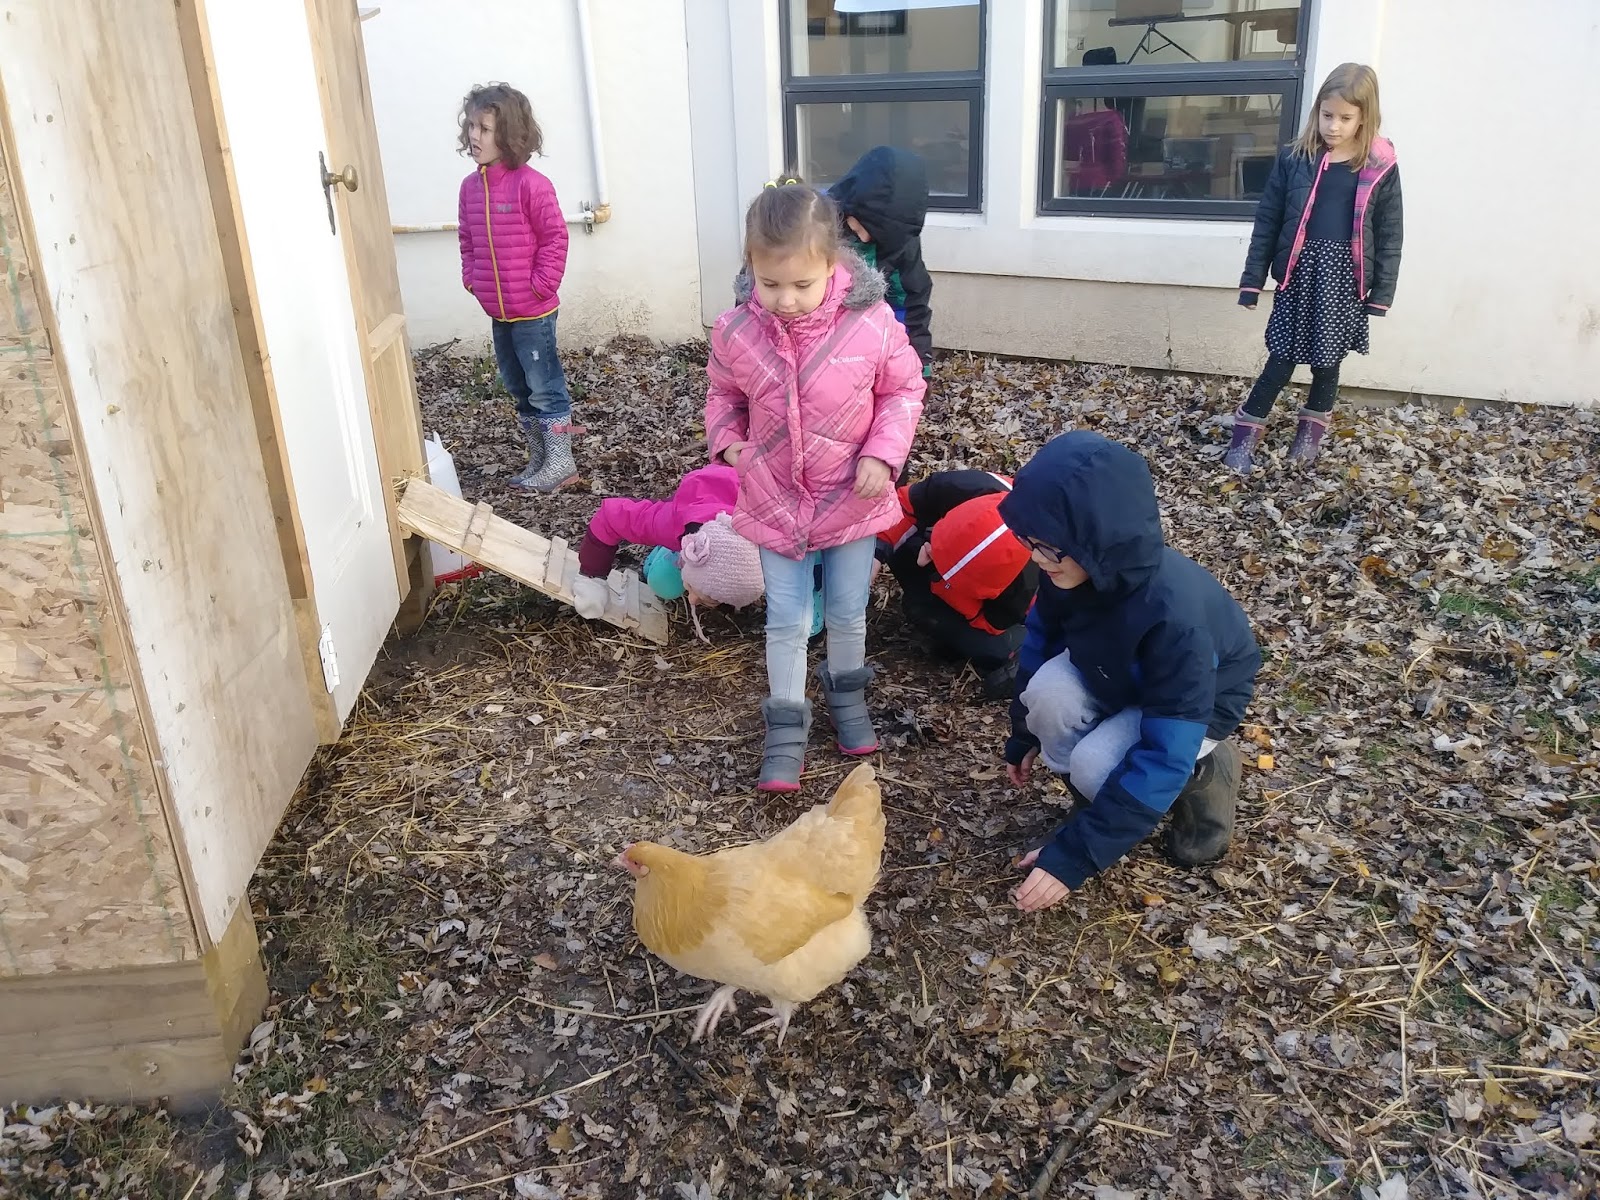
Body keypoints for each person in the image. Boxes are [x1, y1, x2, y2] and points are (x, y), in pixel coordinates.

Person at [706, 178, 925, 792]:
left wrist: (884, 454)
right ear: (751, 266)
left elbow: (903, 390)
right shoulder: (735, 330)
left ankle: (847, 697)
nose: (786, 300)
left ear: (833, 264)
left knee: (848, 609)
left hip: (851, 495)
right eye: (770, 284)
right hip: (774, 498)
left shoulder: (872, 323)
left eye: (802, 285)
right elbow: (722, 395)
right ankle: (785, 724)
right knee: (786, 617)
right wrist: (730, 442)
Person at [999, 432, 1261, 913]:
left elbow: (1165, 750)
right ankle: (1096, 808)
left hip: (1199, 703)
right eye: (1028, 541)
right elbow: (1039, 646)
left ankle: (1207, 770)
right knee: (1048, 696)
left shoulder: (1173, 618)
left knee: (1097, 763)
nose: (1034, 556)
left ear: (1096, 540)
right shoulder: (1066, 570)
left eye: (1047, 546)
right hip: (1116, 673)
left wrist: (1076, 858)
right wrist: (1023, 735)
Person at [1230, 62, 1403, 472]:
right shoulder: (1296, 158)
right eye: (1327, 115)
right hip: (1299, 274)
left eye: (1345, 118)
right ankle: (1244, 435)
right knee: (1281, 360)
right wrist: (1252, 281)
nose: (1334, 126)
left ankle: (1309, 436)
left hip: (1344, 280)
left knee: (1327, 363)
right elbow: (1268, 221)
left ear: (1364, 117)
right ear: (1317, 111)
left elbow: (1390, 231)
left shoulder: (1379, 166)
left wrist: (1381, 294)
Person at [456, 83, 579, 492]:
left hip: (534, 311)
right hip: (499, 311)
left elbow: (555, 238)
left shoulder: (531, 185)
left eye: (485, 128)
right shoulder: (470, 188)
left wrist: (541, 285)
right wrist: (472, 279)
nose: (475, 136)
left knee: (544, 387)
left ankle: (561, 462)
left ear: (508, 134)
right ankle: (540, 460)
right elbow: (467, 239)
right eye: (471, 126)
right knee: (519, 387)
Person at [570, 465, 822, 641]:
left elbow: (819, 541)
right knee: (662, 585)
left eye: (708, 598)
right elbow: (610, 517)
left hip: (761, 507)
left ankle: (815, 598)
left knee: (808, 567)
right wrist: (592, 577)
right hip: (703, 503)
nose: (691, 600)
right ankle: (668, 552)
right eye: (699, 592)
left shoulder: (780, 540)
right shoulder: (667, 524)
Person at [875, 470, 1037, 699]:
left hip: (994, 613)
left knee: (994, 648)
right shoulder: (965, 487)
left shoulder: (1027, 586)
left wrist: (939, 580)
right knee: (905, 546)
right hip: (948, 559)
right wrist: (878, 551)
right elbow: (905, 504)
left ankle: (1023, 651)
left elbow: (989, 622)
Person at [826, 147, 934, 380]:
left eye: (878, 236)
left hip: (874, 349)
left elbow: (910, 305)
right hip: (818, 351)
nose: (865, 238)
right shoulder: (816, 224)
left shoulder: (901, 241)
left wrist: (919, 366)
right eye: (862, 226)